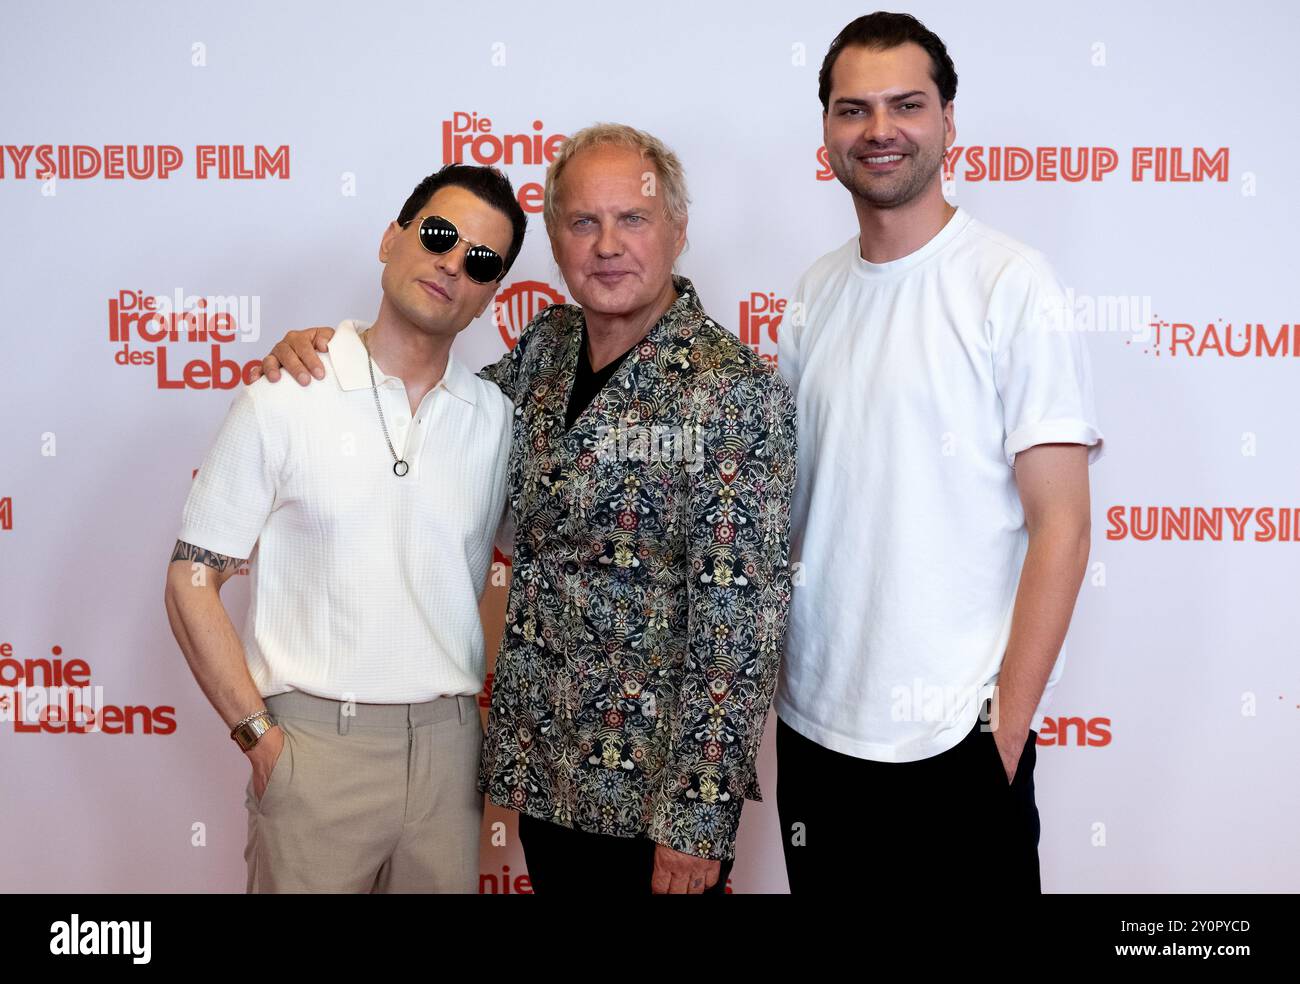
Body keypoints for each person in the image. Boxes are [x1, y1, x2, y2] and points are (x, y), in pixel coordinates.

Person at [254, 124, 798, 894]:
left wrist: (699, 822)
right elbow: (436, 414)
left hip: (653, 804)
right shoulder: (547, 348)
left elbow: (739, 625)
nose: (607, 244)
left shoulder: (733, 389)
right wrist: (334, 353)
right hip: (545, 774)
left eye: (632, 219)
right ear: (557, 242)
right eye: (584, 222)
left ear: (677, 231)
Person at [774, 12, 1103, 894]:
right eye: (854, 110)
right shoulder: (815, 291)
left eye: (906, 105)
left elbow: (1063, 525)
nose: (880, 130)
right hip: (815, 729)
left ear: (949, 122)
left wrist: (1000, 729)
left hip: (954, 744)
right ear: (828, 133)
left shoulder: (1011, 283)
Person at [164, 163, 527, 893]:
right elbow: (191, 580)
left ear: (490, 297)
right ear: (392, 238)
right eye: (438, 235)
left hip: (452, 756)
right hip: (312, 751)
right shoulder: (286, 393)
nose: (452, 263)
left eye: (480, 262)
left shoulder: (497, 419)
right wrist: (261, 740)